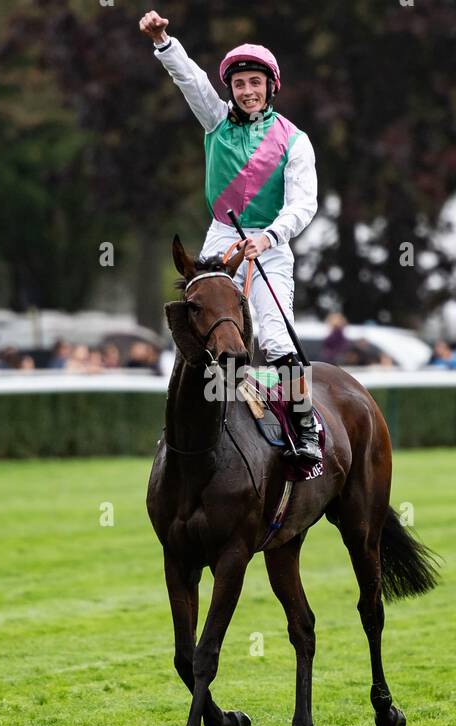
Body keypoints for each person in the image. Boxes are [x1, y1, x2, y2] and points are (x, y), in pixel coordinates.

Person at [140, 9, 321, 461]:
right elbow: (191, 81)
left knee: (277, 340)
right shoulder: (215, 121)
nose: (247, 91)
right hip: (221, 240)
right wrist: (164, 41)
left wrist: (269, 238)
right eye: (239, 84)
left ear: (270, 86)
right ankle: (184, 430)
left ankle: (306, 430)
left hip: (270, 248)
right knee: (196, 326)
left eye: (254, 83)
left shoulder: (295, 140)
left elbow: (304, 204)